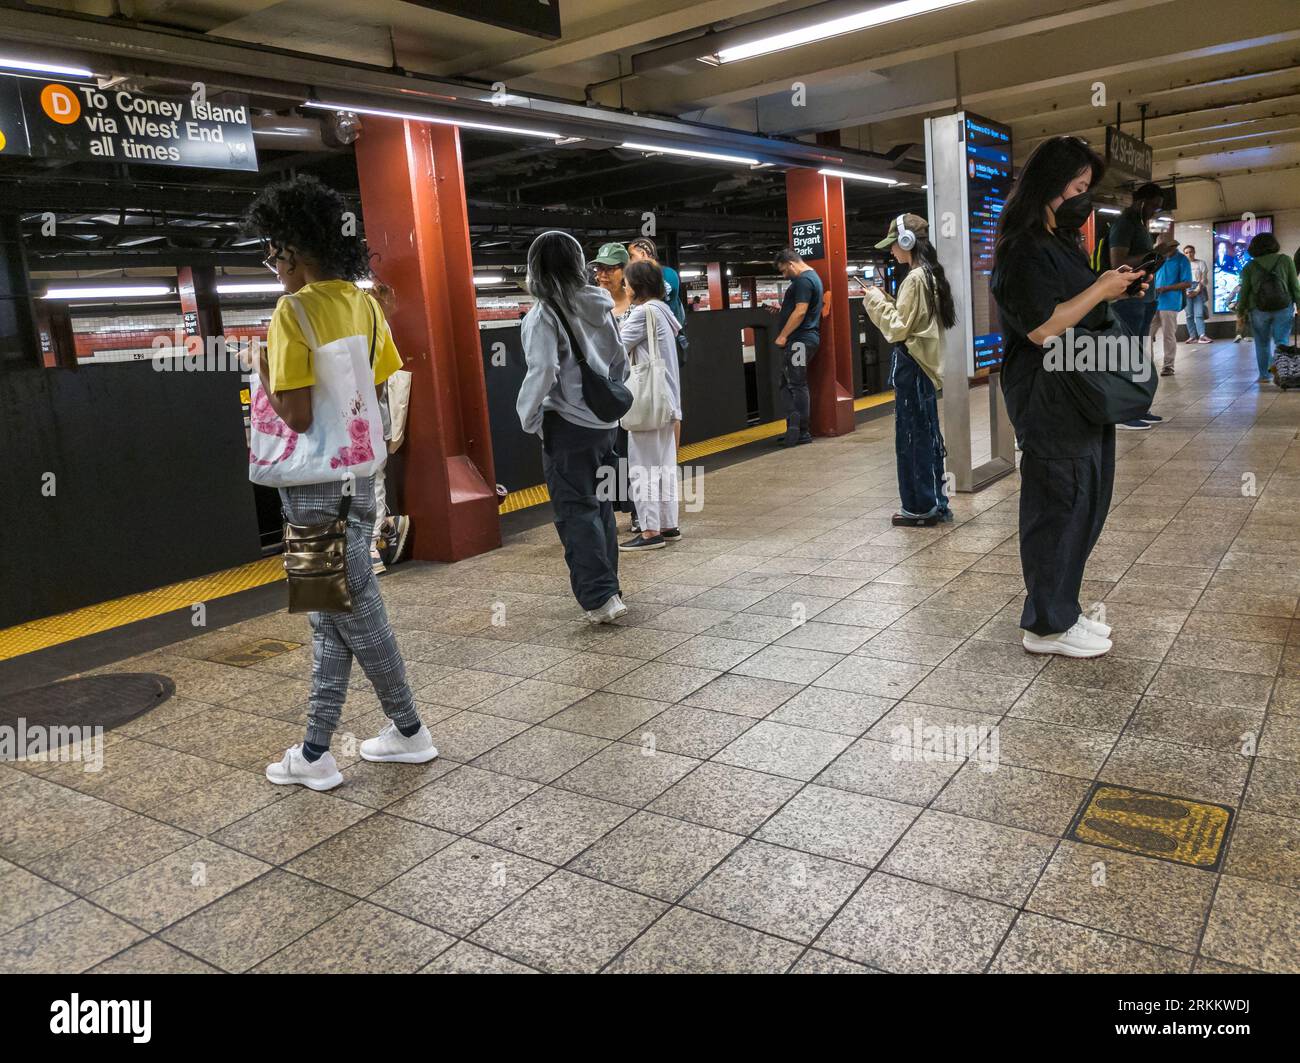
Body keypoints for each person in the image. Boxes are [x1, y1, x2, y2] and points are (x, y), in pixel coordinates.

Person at [246, 175, 436, 790]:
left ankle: (407, 730)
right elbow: (376, 386)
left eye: (273, 253)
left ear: (293, 252)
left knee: (352, 612)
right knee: (328, 615)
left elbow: (297, 415)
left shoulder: (291, 311)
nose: (274, 266)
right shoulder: (364, 304)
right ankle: (317, 749)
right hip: (362, 480)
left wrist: (262, 373)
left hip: (312, 491)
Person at [991, 136, 1151, 659]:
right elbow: (1041, 328)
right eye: (1078, 186)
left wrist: (1113, 286)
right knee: (1058, 504)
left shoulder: (1058, 238)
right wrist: (1099, 291)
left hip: (1079, 385)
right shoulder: (1021, 247)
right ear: (1050, 182)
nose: (1084, 196)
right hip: (1046, 393)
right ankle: (1044, 626)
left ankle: (1064, 608)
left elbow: (1079, 306)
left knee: (1086, 500)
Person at [518, 231, 630, 623]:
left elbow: (543, 370)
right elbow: (621, 364)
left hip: (567, 427)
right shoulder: (600, 304)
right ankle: (610, 588)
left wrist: (530, 418)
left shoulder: (543, 314)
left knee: (575, 512)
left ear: (535, 269)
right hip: (605, 425)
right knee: (600, 507)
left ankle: (600, 599)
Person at [862, 213, 956, 527]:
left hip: (911, 366)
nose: (891, 251)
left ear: (907, 242)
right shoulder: (930, 274)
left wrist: (875, 301)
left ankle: (919, 508)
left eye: (894, 245)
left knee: (911, 438)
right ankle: (935, 502)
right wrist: (888, 299)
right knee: (926, 435)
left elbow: (899, 328)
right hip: (924, 369)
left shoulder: (915, 277)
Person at [619, 259, 683, 551]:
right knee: (665, 465)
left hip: (647, 401)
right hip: (667, 401)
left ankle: (649, 533)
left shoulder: (643, 313)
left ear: (637, 287)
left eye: (628, 283)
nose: (625, 287)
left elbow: (615, 349)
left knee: (642, 468)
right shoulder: (664, 310)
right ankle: (669, 525)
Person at [770, 247, 824, 447]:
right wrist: (782, 311)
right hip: (801, 340)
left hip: (800, 341)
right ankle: (794, 427)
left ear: (791, 264)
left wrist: (783, 335)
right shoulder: (811, 278)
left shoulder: (802, 280)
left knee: (796, 384)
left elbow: (801, 312)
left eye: (784, 270)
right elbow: (801, 309)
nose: (784, 275)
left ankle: (802, 431)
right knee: (787, 382)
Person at [1237, 231, 1300, 382]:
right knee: (1282, 341)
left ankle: (1264, 376)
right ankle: (1281, 372)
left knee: (1262, 343)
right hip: (1284, 307)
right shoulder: (1285, 260)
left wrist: (1240, 312)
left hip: (1258, 309)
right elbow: (1294, 286)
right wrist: (1299, 304)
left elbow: (1244, 291)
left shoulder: (1249, 267)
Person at [1107, 182, 1163, 341]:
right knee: (1130, 351)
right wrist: (1153, 253)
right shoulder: (1124, 224)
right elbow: (1118, 263)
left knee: (1139, 351)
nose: (1154, 212)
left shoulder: (1141, 225)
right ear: (1142, 202)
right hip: (1130, 299)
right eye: (1154, 206)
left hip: (1146, 297)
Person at [1149, 235, 1193, 377]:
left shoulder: (1182, 260)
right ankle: (1145, 363)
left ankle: (1168, 366)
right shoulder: (1159, 259)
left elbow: (1187, 283)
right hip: (1154, 301)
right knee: (1147, 333)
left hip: (1170, 302)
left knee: (1168, 335)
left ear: (1172, 247)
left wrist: (1165, 288)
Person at [592, 242, 633, 318]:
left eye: (610, 269)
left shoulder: (636, 303)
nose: (603, 275)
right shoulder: (589, 301)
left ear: (625, 271)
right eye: (599, 268)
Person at [1183, 244, 1211, 344]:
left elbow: (1204, 279)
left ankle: (1202, 336)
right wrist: (1186, 291)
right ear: (1184, 254)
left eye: (1191, 252)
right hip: (1186, 289)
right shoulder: (1182, 265)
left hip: (1198, 288)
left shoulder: (1201, 263)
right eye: (1186, 253)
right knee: (1189, 315)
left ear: (1194, 252)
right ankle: (1192, 336)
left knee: (1199, 314)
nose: (1189, 254)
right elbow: (1180, 279)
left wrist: (1197, 290)